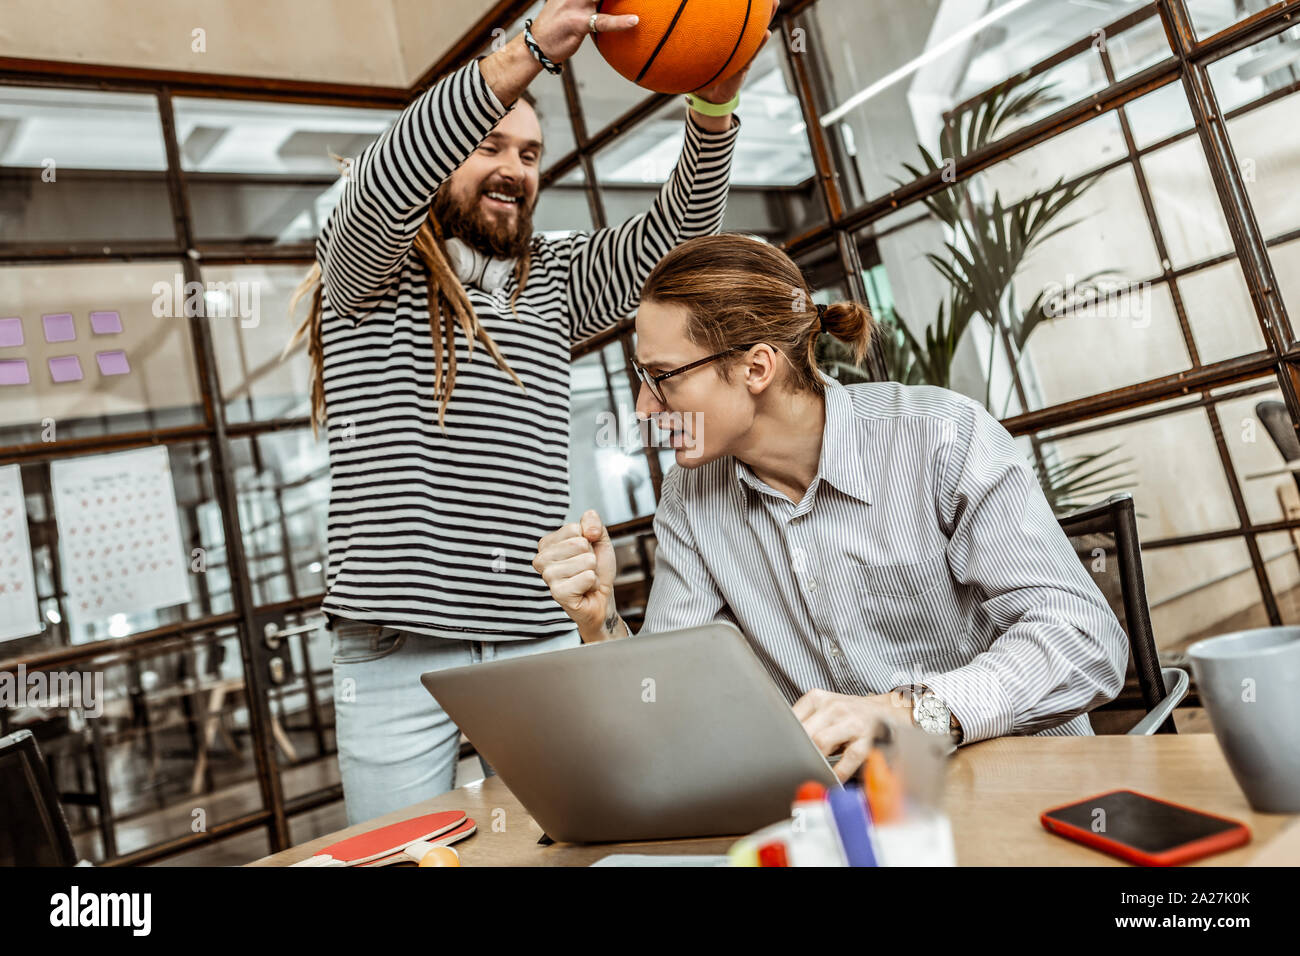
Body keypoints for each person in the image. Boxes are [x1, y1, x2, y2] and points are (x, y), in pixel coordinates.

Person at [286, 0, 774, 824]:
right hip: (396, 653)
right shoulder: (365, 271)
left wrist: (714, 106)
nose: (514, 168)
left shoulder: (550, 279)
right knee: (408, 861)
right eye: (488, 147)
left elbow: (676, 240)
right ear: (444, 156)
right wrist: (530, 53)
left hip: (537, 632)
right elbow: (383, 178)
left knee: (588, 837)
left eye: (530, 153)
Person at [532, 234, 1130, 782]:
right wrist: (599, 621)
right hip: (856, 807)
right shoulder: (690, 499)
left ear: (756, 367)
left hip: (1019, 778)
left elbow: (1085, 637)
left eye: (663, 377)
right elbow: (662, 703)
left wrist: (906, 714)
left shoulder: (941, 436)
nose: (643, 407)